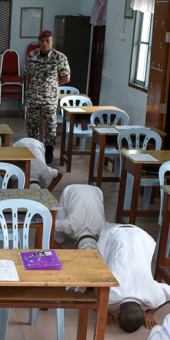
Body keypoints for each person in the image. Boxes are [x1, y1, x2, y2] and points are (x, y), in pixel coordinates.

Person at [97, 224, 170, 332]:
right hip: (113, 235)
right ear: (118, 312)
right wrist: (103, 312)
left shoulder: (151, 293)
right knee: (102, 263)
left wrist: (150, 312)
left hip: (140, 235)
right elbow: (89, 291)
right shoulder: (109, 294)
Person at [24, 30, 71, 164]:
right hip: (33, 97)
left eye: (48, 41)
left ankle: (49, 152)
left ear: (52, 41)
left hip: (49, 99)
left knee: (51, 126)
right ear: (39, 42)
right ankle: (33, 151)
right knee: (32, 126)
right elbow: (28, 75)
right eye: (43, 41)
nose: (45, 44)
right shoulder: (32, 55)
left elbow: (66, 78)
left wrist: (52, 85)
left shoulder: (59, 57)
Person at [54, 184, 109, 250]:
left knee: (59, 239)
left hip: (96, 191)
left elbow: (116, 228)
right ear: (77, 243)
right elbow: (51, 224)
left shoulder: (103, 228)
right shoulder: (68, 225)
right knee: (59, 238)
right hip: (70, 190)